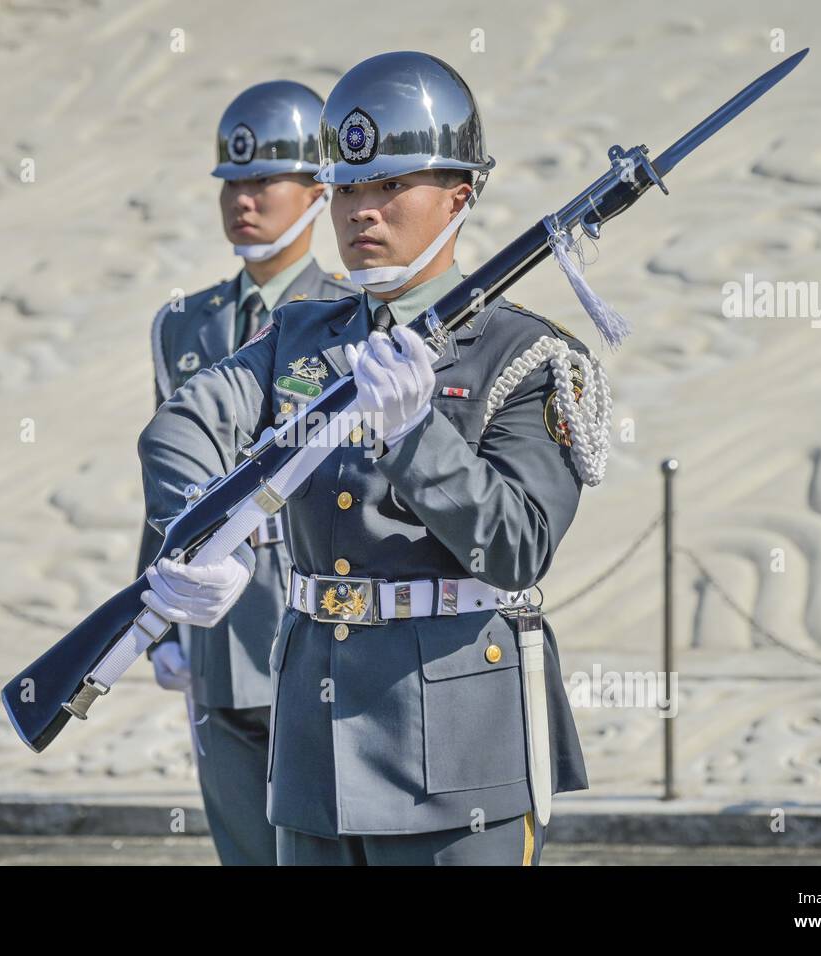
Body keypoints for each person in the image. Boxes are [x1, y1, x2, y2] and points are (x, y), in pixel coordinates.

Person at [138, 52, 605, 865]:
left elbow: (517, 545)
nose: (363, 212)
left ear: (459, 196)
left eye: (391, 186)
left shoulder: (526, 355)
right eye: (350, 189)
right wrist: (205, 533)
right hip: (315, 749)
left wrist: (416, 438)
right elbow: (185, 424)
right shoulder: (298, 337)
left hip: (460, 754)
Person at [136, 80, 355, 866]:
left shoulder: (351, 312)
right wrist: (153, 613)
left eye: (264, 180)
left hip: (313, 623)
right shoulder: (183, 324)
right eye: (232, 183)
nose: (243, 200)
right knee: (244, 848)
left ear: (317, 190)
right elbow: (166, 486)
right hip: (213, 631)